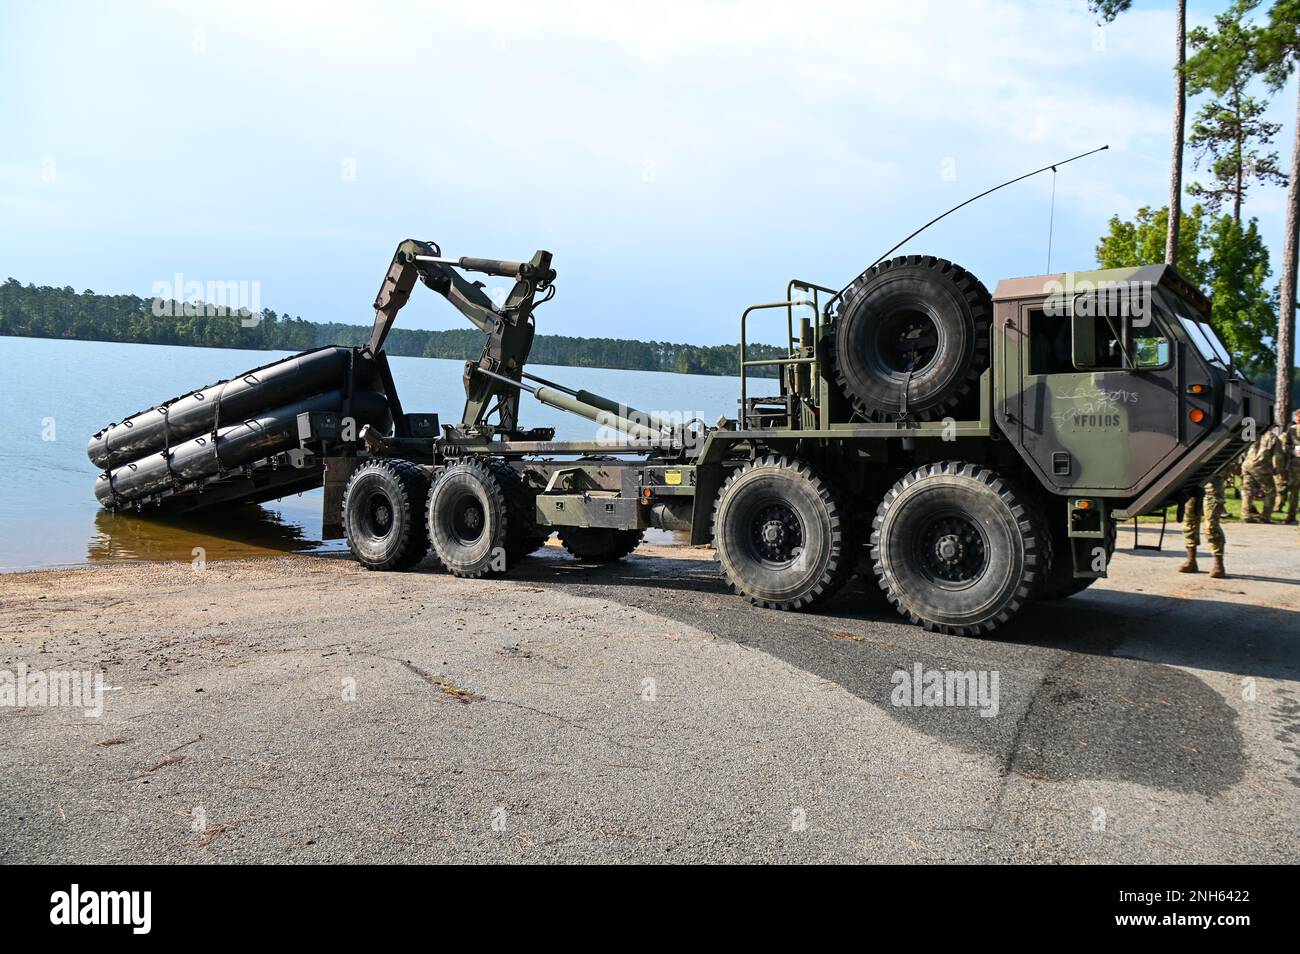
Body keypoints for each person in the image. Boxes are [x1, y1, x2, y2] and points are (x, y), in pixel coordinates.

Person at [1180, 476, 1226, 578]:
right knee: (1189, 522)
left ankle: (1218, 564)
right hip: (1193, 482)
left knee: (1211, 526)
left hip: (1213, 485)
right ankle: (1191, 560)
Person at [1242, 425, 1286, 523]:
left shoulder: (1252, 434)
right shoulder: (1273, 437)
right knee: (1270, 492)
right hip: (1261, 467)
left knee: (1247, 490)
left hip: (1247, 464)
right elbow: (1278, 456)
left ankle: (1246, 515)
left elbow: (1244, 450)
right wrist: (1277, 469)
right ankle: (1266, 516)